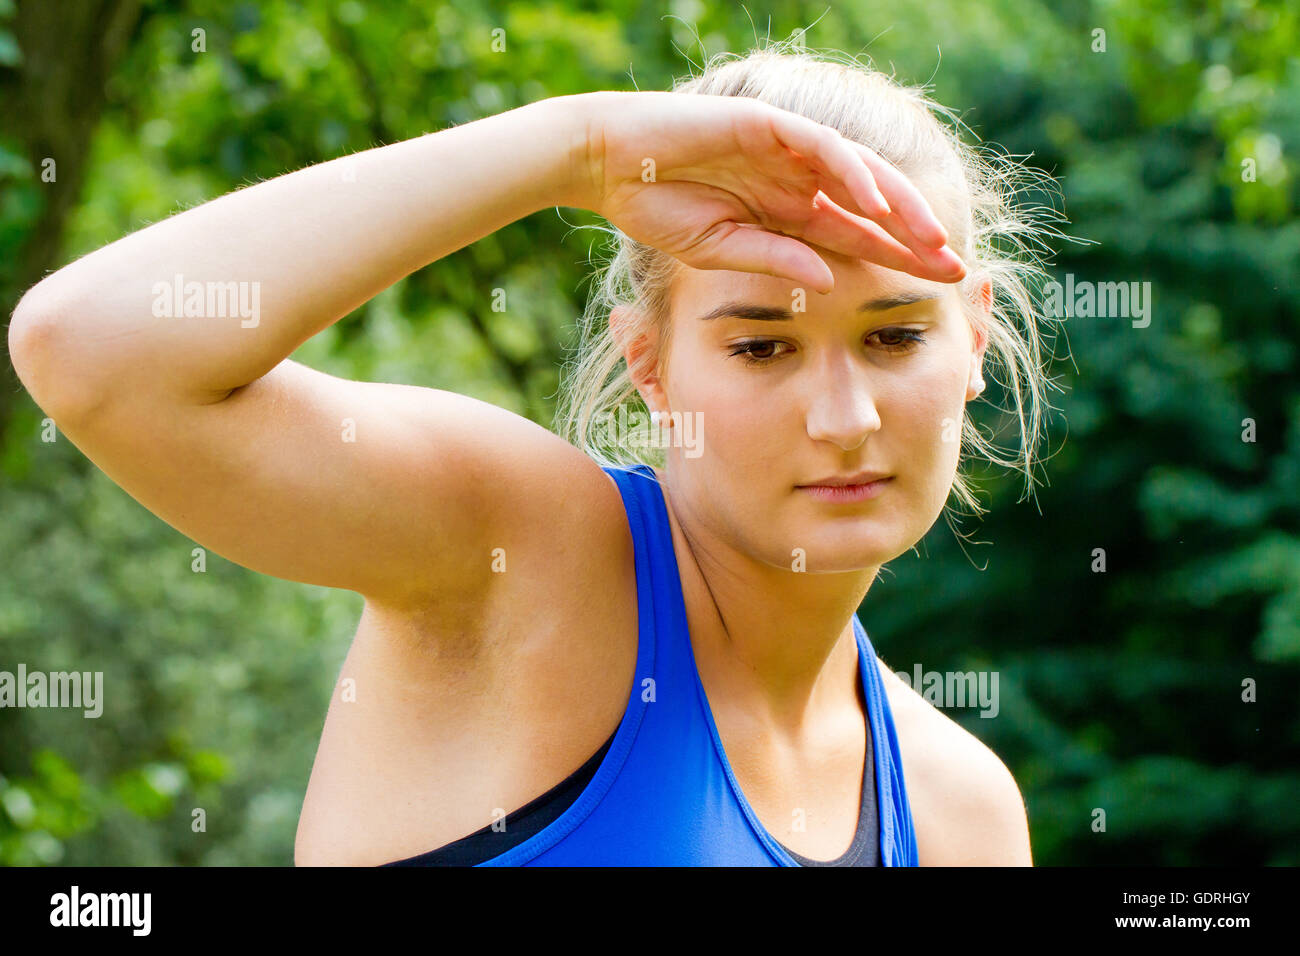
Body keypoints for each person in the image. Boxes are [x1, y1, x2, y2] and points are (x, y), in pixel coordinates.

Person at [8, 42, 1053, 865]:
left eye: (894, 334)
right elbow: (91, 350)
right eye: (761, 344)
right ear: (649, 364)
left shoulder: (959, 812)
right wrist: (581, 151)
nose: (843, 417)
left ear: (971, 338)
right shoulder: (529, 554)